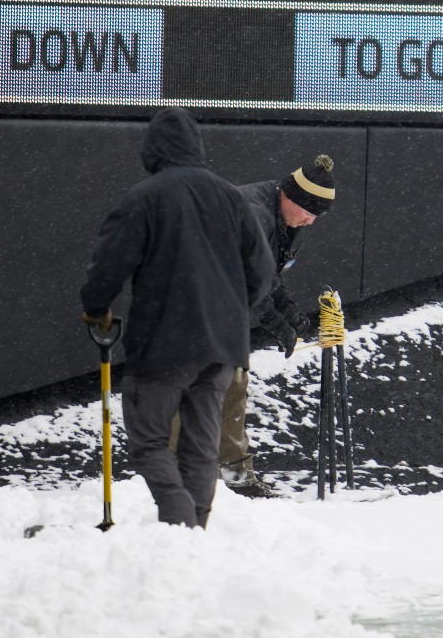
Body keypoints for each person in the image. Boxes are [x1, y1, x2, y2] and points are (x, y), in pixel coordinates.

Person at [79, 108, 274, 528]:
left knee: (149, 438)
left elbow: (109, 264)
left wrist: (96, 309)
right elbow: (261, 271)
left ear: (153, 150)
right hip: (222, 347)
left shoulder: (146, 197)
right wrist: (232, 313)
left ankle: (178, 518)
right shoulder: (231, 197)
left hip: (164, 344)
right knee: (202, 445)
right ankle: (191, 534)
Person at [219, 154, 335, 497]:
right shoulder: (253, 214)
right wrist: (275, 322)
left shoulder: (286, 218)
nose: (310, 222)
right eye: (310, 213)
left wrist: (290, 313)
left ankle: (230, 476)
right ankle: (189, 477)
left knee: (231, 384)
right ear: (292, 198)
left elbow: (269, 272)